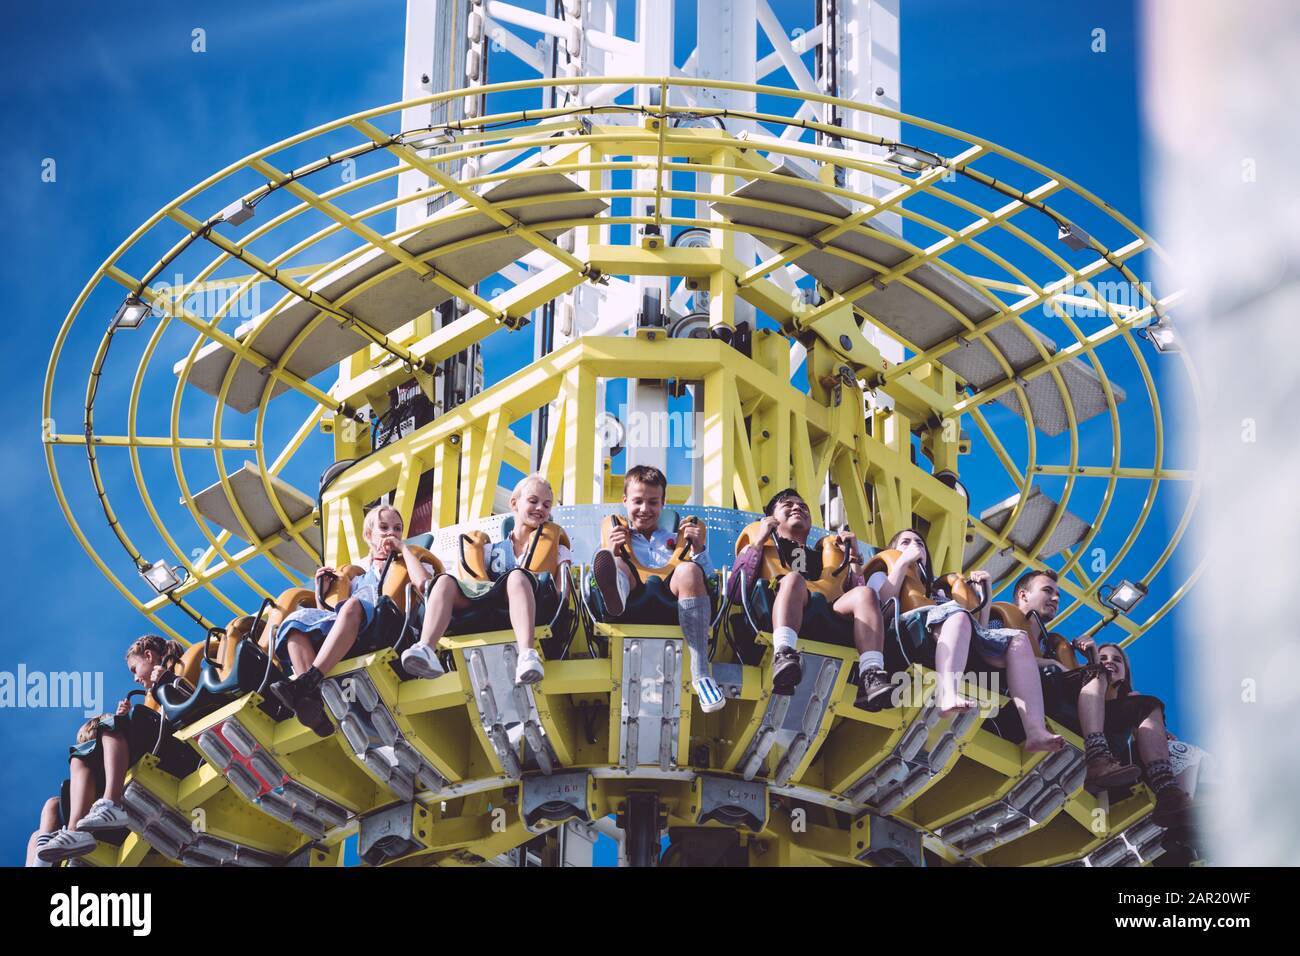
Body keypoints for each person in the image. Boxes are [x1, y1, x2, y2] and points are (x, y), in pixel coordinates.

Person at [869, 529, 1064, 752]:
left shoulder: (938, 590)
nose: (915, 546)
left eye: (920, 543)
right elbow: (882, 601)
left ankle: (1035, 730)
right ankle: (947, 693)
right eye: (905, 542)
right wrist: (903, 561)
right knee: (957, 614)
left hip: (958, 631)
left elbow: (980, 629)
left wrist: (985, 596)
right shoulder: (885, 571)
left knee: (1018, 640)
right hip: (912, 628)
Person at [269, 504, 430, 735]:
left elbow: (426, 585)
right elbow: (332, 614)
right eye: (383, 528)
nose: (391, 533)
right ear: (368, 535)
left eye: (397, 529)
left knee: (354, 605)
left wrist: (403, 549)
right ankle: (312, 704)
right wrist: (320, 592)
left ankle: (308, 681)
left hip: (391, 626)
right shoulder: (357, 580)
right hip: (355, 630)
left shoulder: (408, 562)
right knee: (295, 624)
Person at [729, 488, 894, 709]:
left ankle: (871, 674)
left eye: (803, 506)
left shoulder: (826, 556)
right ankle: (784, 654)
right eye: (787, 505)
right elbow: (735, 592)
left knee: (866, 594)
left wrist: (853, 556)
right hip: (783, 605)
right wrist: (759, 541)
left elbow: (856, 591)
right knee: (794, 579)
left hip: (828, 607)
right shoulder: (765, 546)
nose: (797, 507)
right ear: (771, 517)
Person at [401, 474, 571, 685]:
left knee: (517, 577)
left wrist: (561, 616)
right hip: (488, 602)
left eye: (546, 505)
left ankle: (527, 654)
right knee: (444, 581)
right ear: (514, 504)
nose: (540, 508)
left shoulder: (557, 549)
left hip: (535, 602)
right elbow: (471, 582)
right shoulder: (491, 550)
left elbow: (562, 588)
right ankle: (425, 648)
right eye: (533, 501)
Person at [37, 635, 184, 863]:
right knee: (79, 756)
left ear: (149, 656)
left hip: (173, 745)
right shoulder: (148, 694)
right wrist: (123, 719)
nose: (135, 678)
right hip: (152, 738)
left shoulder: (179, 668)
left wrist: (167, 681)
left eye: (135, 669)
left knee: (109, 725)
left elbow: (190, 701)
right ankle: (75, 832)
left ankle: (111, 804)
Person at [590, 465, 724, 712]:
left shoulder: (676, 540)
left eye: (653, 502)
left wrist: (699, 551)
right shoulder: (618, 535)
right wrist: (610, 550)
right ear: (625, 501)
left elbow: (710, 582)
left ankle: (702, 674)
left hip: (672, 602)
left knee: (689, 570)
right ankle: (614, 594)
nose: (645, 509)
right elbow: (597, 572)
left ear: (663, 504)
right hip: (629, 601)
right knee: (615, 562)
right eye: (638, 501)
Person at [1012, 568, 1140, 790]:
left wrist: (1090, 658)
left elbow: (1090, 682)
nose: (1055, 599)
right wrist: (1053, 665)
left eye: (1058, 595)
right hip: (1021, 699)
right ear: (1023, 595)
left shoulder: (1050, 645)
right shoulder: (1001, 621)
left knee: (1142, 704)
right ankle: (1097, 756)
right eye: (1047, 591)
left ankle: (1101, 757)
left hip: (1056, 697)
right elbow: (997, 653)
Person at [1091, 643, 1193, 828]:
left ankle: (1178, 813)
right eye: (1103, 658)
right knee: (1145, 704)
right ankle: (1167, 790)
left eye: (1117, 660)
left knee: (1184, 753)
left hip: (1117, 756)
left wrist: (1158, 735)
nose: (1110, 662)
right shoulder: (1085, 684)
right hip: (1088, 739)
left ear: (1125, 672)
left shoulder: (1132, 703)